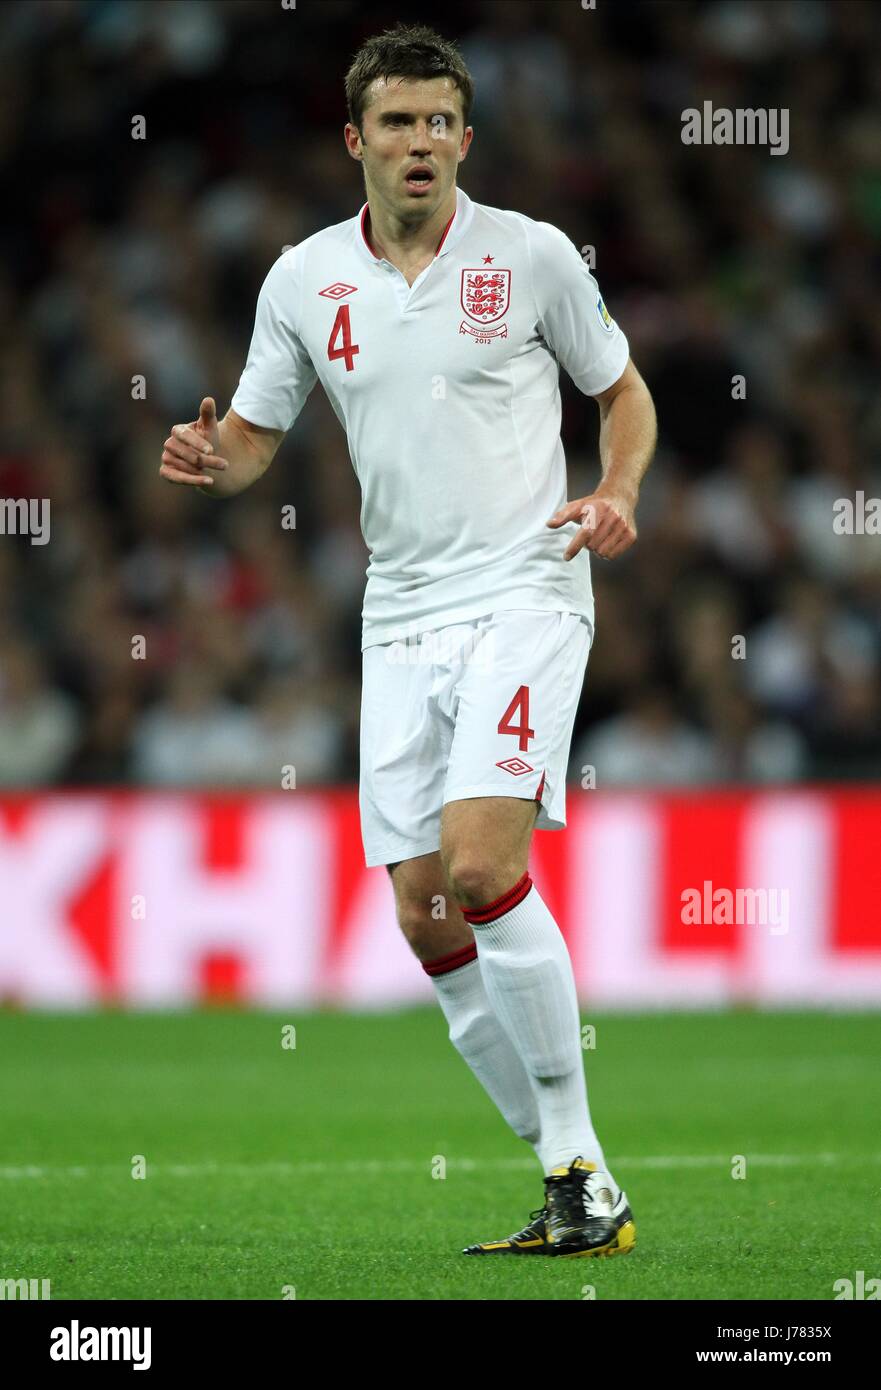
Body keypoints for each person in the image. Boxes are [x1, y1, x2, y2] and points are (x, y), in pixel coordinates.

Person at [159, 21, 657, 1258]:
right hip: (400, 613)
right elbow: (258, 438)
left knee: (483, 865)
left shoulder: (533, 257)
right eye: (397, 121)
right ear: (354, 141)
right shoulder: (301, 280)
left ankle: (584, 1173)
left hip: (527, 584)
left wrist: (619, 491)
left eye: (440, 120)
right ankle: (570, 1180)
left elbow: (623, 391)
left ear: (466, 137)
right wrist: (213, 462)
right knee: (428, 916)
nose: (421, 141)